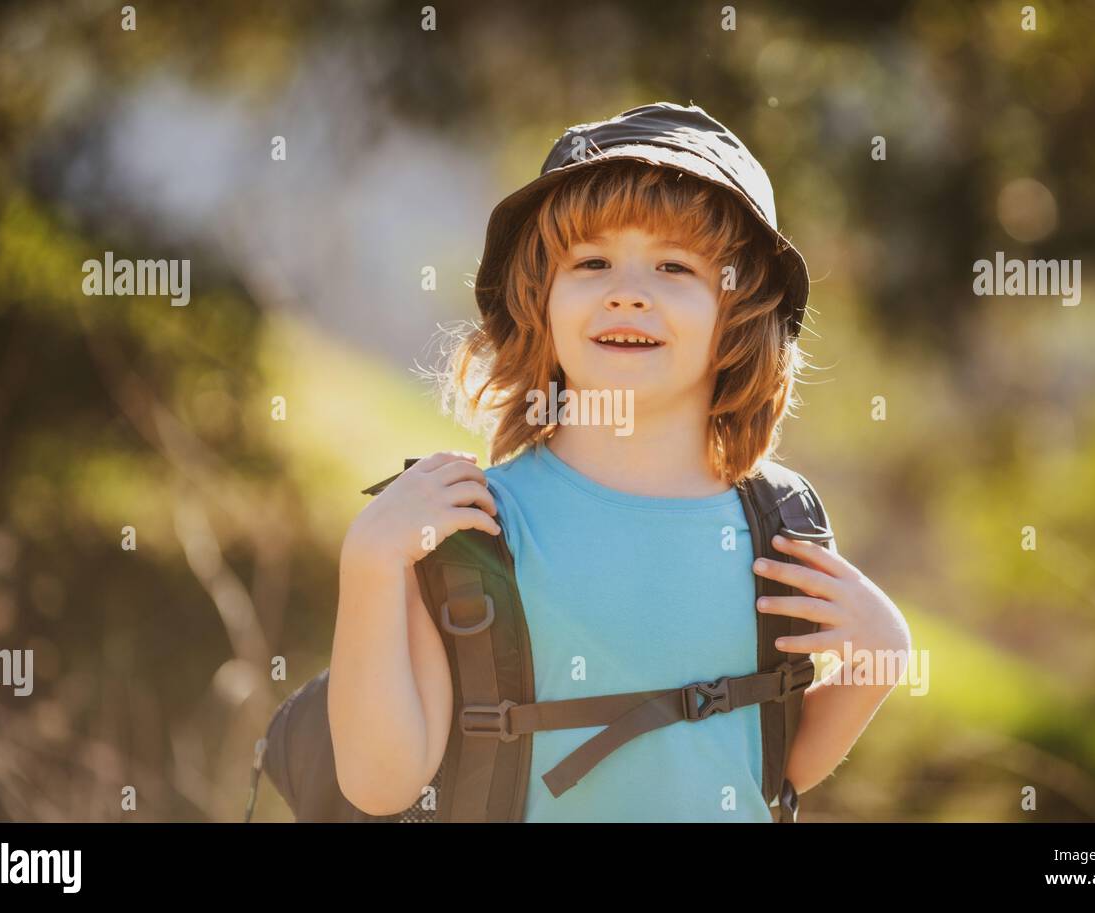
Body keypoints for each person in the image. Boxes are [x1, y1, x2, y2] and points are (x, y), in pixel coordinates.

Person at [330, 102, 910, 822]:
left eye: (674, 266)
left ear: (740, 315)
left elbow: (768, 763)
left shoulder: (777, 527)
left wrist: (881, 659)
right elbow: (380, 783)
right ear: (541, 302)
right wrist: (369, 563)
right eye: (592, 262)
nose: (626, 291)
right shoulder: (470, 528)